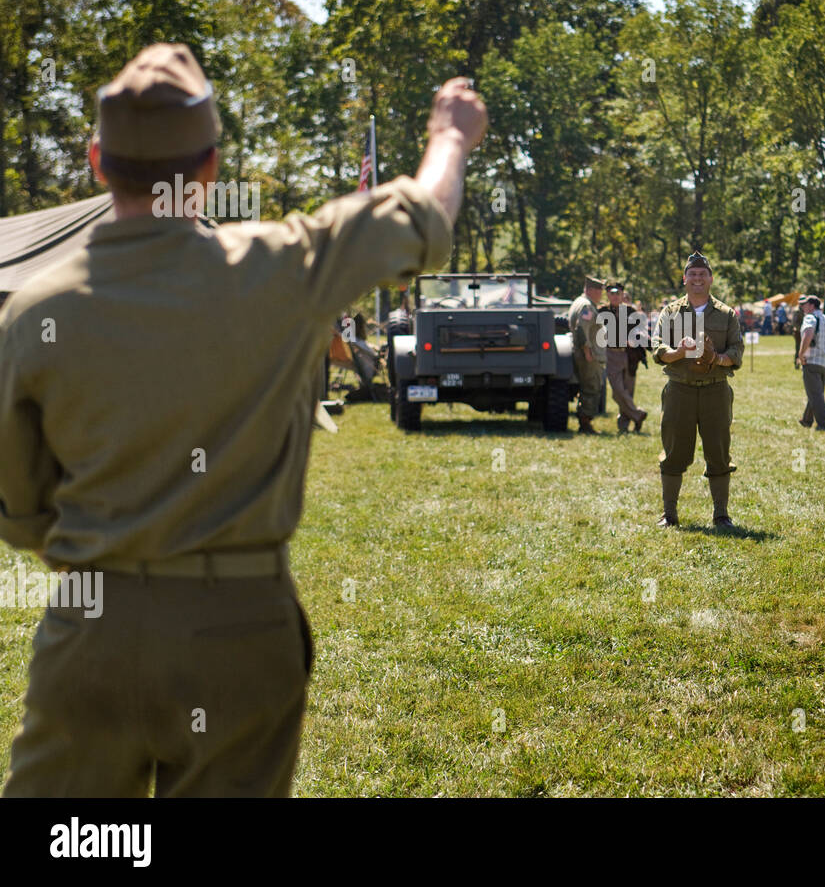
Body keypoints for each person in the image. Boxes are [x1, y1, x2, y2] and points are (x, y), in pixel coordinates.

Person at [0, 44, 487, 796]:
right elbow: (419, 218)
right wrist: (449, 135)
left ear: (97, 161)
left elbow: (20, 506)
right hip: (239, 626)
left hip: (91, 624)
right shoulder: (278, 267)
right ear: (210, 167)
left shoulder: (35, 312)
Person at [650, 251, 744, 529]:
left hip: (716, 391)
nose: (698, 279)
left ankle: (721, 515)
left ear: (711, 279)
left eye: (703, 274)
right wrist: (679, 353)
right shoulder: (670, 312)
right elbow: (658, 348)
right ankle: (669, 514)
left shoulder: (726, 314)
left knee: (718, 451)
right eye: (692, 274)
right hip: (680, 391)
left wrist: (717, 359)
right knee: (674, 451)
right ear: (684, 279)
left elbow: (737, 351)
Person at [602, 281, 648, 433]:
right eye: (612, 293)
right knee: (617, 391)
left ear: (622, 294)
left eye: (618, 293)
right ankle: (637, 414)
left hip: (629, 355)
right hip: (611, 353)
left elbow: (642, 331)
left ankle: (624, 425)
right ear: (607, 294)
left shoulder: (631, 312)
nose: (615, 296)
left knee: (628, 390)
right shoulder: (602, 311)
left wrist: (635, 338)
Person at [567, 275, 607, 434]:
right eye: (599, 291)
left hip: (583, 352)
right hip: (588, 355)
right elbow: (581, 329)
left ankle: (584, 420)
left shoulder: (579, 302)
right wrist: (587, 351)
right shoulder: (587, 306)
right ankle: (585, 423)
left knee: (587, 386)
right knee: (591, 387)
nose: (601, 294)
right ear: (591, 290)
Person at [796, 295, 825, 430]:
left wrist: (801, 354)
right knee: (816, 393)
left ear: (811, 306)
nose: (802, 307)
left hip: (812, 361)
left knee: (815, 395)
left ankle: (823, 425)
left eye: (804, 305)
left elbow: (808, 333)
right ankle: (807, 420)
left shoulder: (810, 318)